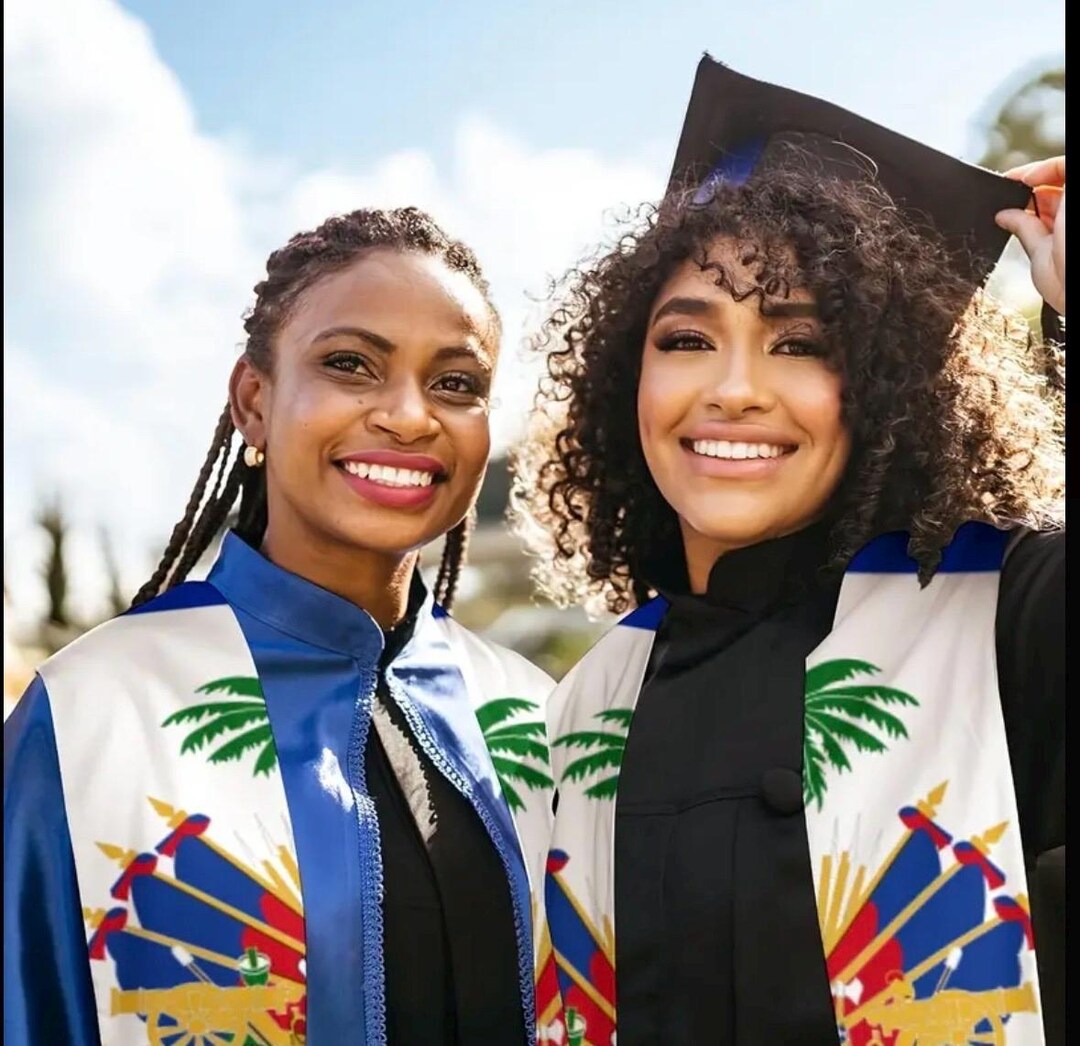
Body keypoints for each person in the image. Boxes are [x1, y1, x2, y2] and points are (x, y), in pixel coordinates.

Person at [515, 58, 1064, 1045]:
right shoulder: (584, 708)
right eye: (686, 340)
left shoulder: (1006, 619)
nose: (733, 389)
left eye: (801, 342)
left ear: (889, 390)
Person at [4, 207, 556, 1045]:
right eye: (350, 364)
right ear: (253, 402)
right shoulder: (92, 714)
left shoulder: (534, 714)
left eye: (456, 384)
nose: (410, 416)